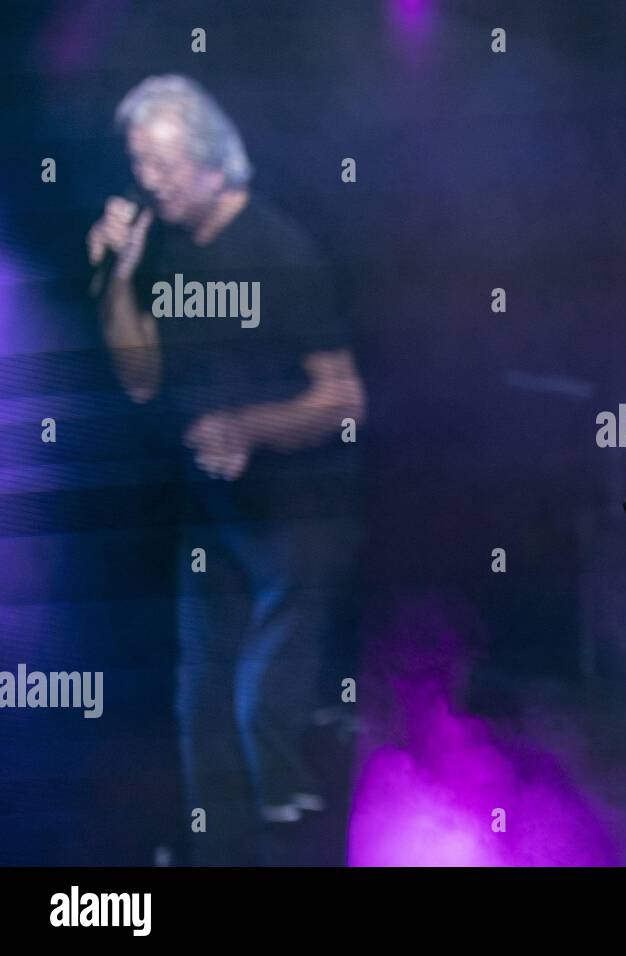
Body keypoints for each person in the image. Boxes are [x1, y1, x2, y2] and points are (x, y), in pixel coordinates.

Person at [86, 75, 365, 864]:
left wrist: (250, 425)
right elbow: (138, 379)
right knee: (199, 703)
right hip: (216, 515)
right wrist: (115, 273)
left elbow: (346, 400)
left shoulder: (281, 252)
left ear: (213, 164)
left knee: (260, 708)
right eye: (139, 162)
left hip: (301, 514)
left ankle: (292, 849)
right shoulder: (161, 245)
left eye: (164, 163)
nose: (148, 179)